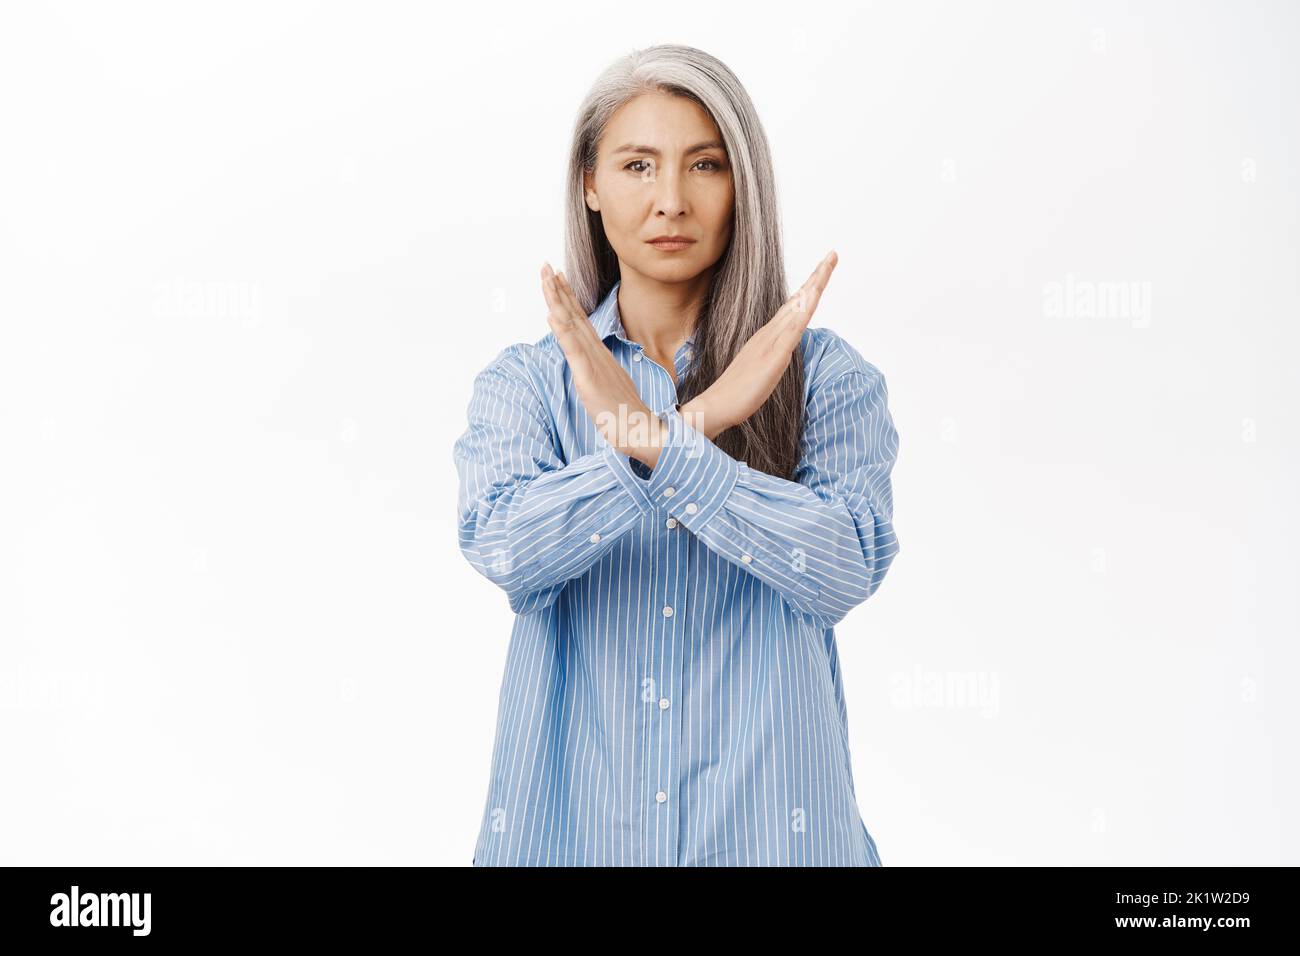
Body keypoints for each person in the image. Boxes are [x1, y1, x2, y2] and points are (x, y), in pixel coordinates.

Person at [453, 44, 901, 866]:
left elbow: (843, 567)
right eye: (636, 165)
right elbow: (508, 549)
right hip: (574, 840)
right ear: (589, 185)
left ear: (743, 187)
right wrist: (688, 432)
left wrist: (658, 438)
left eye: (704, 165)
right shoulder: (525, 385)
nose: (670, 201)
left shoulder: (828, 377)